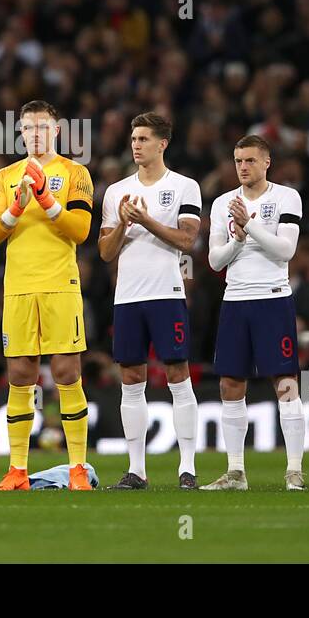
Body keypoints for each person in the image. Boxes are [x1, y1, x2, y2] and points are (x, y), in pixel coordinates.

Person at [0, 100, 95, 491]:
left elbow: (80, 230)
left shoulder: (74, 173)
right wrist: (16, 207)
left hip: (59, 284)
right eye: (28, 128)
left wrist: (47, 200)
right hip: (17, 286)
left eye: (42, 127)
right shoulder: (6, 176)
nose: (34, 134)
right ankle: (17, 471)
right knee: (19, 375)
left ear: (57, 131)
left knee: (66, 371)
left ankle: (78, 468)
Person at [99, 112, 202, 490]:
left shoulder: (184, 187)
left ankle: (187, 467)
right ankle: (137, 470)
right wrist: (125, 225)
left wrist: (145, 220)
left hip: (166, 293)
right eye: (133, 138)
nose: (136, 145)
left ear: (162, 143)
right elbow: (106, 253)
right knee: (130, 378)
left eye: (143, 139)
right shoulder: (116, 192)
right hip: (127, 297)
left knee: (177, 373)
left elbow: (187, 240)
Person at [202, 135, 306, 491]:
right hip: (235, 300)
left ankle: (294, 470)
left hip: (273, 298)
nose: (243, 167)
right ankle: (235, 472)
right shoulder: (221, 204)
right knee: (230, 384)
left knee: (286, 383)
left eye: (249, 160)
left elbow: (286, 250)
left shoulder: (286, 197)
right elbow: (215, 260)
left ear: (266, 163)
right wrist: (238, 240)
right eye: (238, 161)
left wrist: (252, 225)